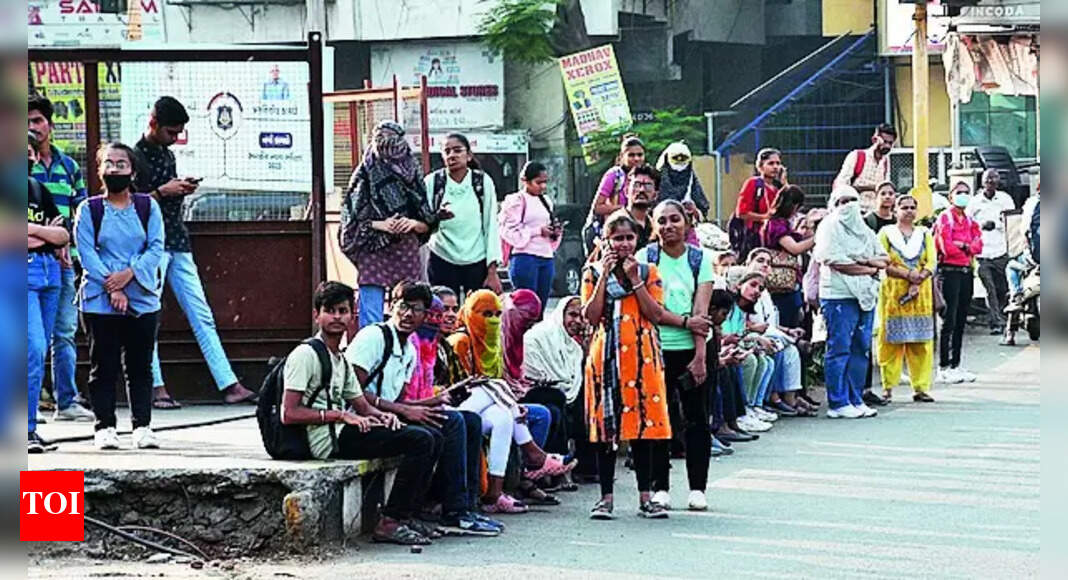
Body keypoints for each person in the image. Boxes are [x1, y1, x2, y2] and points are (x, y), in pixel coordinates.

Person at [280, 281, 438, 546]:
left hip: (345, 430)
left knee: (431, 436)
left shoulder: (340, 359)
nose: (337, 317)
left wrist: (383, 416)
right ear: (316, 315)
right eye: (330, 311)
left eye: (343, 311)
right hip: (325, 441)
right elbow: (289, 413)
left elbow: (363, 405)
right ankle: (390, 521)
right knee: (420, 441)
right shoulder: (305, 355)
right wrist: (340, 416)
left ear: (353, 315)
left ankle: (406, 515)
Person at [345, 281, 501, 537]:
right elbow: (352, 392)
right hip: (356, 424)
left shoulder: (408, 349)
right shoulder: (373, 337)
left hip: (385, 418)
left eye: (416, 310)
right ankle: (391, 520)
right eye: (403, 306)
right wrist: (406, 411)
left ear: (424, 315)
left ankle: (456, 509)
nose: (408, 314)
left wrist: (430, 403)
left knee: (463, 421)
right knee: (423, 439)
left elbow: (399, 399)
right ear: (390, 306)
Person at [136, 96, 257, 408]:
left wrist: (177, 189)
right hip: (152, 245)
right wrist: (164, 192)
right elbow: (129, 206)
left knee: (201, 314)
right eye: (171, 133)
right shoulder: (135, 157)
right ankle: (156, 387)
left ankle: (229, 383)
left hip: (176, 239)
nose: (175, 139)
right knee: (149, 314)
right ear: (154, 124)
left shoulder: (165, 155)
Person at [448, 289, 573, 513]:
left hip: (486, 404)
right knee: (500, 390)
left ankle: (495, 494)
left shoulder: (490, 341)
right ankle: (534, 456)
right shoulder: (460, 341)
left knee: (505, 416)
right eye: (486, 315)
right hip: (449, 405)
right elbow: (460, 388)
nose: (494, 320)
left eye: (497, 314)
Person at [75, 142, 165, 449]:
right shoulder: (89, 209)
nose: (115, 169)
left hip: (142, 295)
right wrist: (112, 287)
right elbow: (87, 253)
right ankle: (104, 427)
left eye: (121, 164)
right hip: (99, 299)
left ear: (132, 170)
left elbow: (155, 247)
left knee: (141, 364)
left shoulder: (147, 207)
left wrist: (128, 277)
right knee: (104, 364)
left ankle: (142, 425)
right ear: (100, 170)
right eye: (109, 164)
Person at [582, 210, 671, 520]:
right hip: (605, 354)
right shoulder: (593, 272)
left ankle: (646, 498)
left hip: (642, 355)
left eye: (629, 238)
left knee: (643, 427)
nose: (623, 244)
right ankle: (605, 499)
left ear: (638, 240)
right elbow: (590, 317)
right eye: (617, 238)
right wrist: (605, 277)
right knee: (607, 428)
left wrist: (634, 281)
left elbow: (656, 314)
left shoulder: (649, 271)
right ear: (606, 240)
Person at [637, 200, 716, 511]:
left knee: (697, 419)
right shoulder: (646, 259)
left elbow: (702, 312)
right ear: (653, 226)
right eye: (662, 221)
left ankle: (698, 488)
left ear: (687, 222)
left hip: (691, 347)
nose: (669, 226)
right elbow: (650, 310)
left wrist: (699, 356)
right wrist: (683, 321)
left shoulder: (701, 260)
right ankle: (660, 487)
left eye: (675, 219)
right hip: (653, 348)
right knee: (660, 418)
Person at [29, 93, 94, 422]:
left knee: (64, 333)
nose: (32, 128)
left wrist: (62, 238)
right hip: (27, 263)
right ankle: (30, 402)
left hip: (64, 262)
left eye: (38, 121)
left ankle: (66, 400)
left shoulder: (68, 166)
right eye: (25, 123)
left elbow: (77, 212)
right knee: (31, 336)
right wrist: (48, 233)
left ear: (50, 125)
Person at [339, 121, 437, 328]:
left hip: (405, 249)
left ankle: (408, 349)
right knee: (371, 311)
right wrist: (380, 224)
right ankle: (372, 349)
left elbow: (427, 222)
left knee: (410, 302)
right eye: (381, 140)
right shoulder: (365, 173)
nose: (386, 147)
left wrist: (411, 223)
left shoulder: (412, 171)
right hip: (373, 247)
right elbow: (352, 220)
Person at [814, 186, 889, 419]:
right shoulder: (828, 227)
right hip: (838, 295)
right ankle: (838, 401)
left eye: (852, 200)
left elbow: (885, 258)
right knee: (839, 348)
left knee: (861, 349)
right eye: (842, 201)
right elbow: (833, 260)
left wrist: (862, 260)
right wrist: (869, 267)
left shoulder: (865, 231)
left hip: (865, 295)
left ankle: (855, 398)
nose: (848, 206)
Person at [28, 132, 71, 452]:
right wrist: (49, 237)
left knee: (38, 353)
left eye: (31, 151)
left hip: (49, 275)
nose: (29, 157)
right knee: (31, 347)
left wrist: (34, 231)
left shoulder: (37, 189)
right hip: (19, 273)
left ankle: (28, 429)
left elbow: (63, 233)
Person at [425, 132, 502, 296]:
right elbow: (423, 220)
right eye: (447, 151)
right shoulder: (433, 182)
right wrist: (437, 217)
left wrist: (492, 271)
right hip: (441, 255)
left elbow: (491, 226)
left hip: (477, 259)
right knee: (443, 311)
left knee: (476, 313)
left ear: (468, 156)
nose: (452, 155)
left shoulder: (482, 182)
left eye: (457, 150)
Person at [876, 194, 936, 403]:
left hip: (921, 295)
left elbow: (931, 262)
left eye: (912, 207)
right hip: (894, 294)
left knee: (921, 343)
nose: (909, 211)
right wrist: (907, 275)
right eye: (904, 207)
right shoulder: (886, 233)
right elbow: (882, 261)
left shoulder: (924, 233)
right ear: (896, 211)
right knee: (891, 342)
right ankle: (888, 387)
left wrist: (917, 280)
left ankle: (920, 388)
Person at [744, 250, 814, 416]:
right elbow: (742, 320)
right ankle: (769, 400)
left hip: (769, 332)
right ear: (748, 263)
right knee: (780, 345)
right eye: (760, 260)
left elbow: (770, 323)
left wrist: (788, 330)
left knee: (789, 350)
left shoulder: (765, 291)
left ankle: (790, 397)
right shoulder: (744, 285)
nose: (765, 265)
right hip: (752, 334)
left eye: (768, 263)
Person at [934, 182, 983, 384]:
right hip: (950, 272)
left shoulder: (970, 220)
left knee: (961, 318)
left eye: (966, 192)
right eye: (959, 192)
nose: (963, 196)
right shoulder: (945, 218)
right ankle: (944, 367)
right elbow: (945, 247)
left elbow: (978, 244)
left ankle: (956, 364)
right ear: (950, 196)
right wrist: (966, 246)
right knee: (949, 319)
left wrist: (965, 246)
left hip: (966, 271)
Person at [498, 161, 562, 312]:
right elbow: (509, 231)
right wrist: (537, 231)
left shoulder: (546, 201)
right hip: (525, 257)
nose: (542, 187)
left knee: (541, 307)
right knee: (526, 308)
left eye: (545, 182)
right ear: (525, 181)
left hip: (546, 256)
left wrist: (554, 232)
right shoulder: (516, 201)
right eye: (538, 182)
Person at [966, 169, 1014, 336]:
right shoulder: (974, 202)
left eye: (994, 179)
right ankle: (995, 322)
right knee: (989, 289)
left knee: (1002, 288)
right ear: (982, 182)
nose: (991, 182)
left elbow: (1012, 221)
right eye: (988, 180)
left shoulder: (1005, 199)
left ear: (998, 181)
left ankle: (1001, 316)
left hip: (1001, 250)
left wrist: (996, 225)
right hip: (982, 252)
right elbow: (967, 225)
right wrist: (981, 227)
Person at [760, 184, 815, 329]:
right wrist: (817, 238)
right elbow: (794, 248)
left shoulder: (778, 223)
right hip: (781, 285)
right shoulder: (776, 225)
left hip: (787, 285)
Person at [582, 134, 646, 254]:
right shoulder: (615, 175)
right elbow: (597, 208)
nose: (636, 159)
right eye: (631, 155)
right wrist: (625, 210)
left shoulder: (645, 176)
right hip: (613, 237)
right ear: (622, 156)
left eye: (640, 155)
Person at [730, 148, 785, 260]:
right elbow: (741, 213)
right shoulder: (753, 184)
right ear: (760, 166)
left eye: (778, 163)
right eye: (771, 163)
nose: (775, 167)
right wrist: (764, 218)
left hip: (776, 239)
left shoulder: (778, 188)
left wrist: (785, 184)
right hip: (755, 238)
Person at [833, 124, 896, 212]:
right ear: (875, 140)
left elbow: (884, 188)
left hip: (875, 211)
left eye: (890, 143)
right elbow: (841, 185)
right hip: (855, 210)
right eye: (884, 142)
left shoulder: (885, 162)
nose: (888, 146)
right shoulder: (857, 156)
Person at [656, 141, 709, 243]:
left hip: (687, 236)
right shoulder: (656, 180)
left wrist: (695, 211)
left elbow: (703, 211)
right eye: (676, 159)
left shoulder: (691, 181)